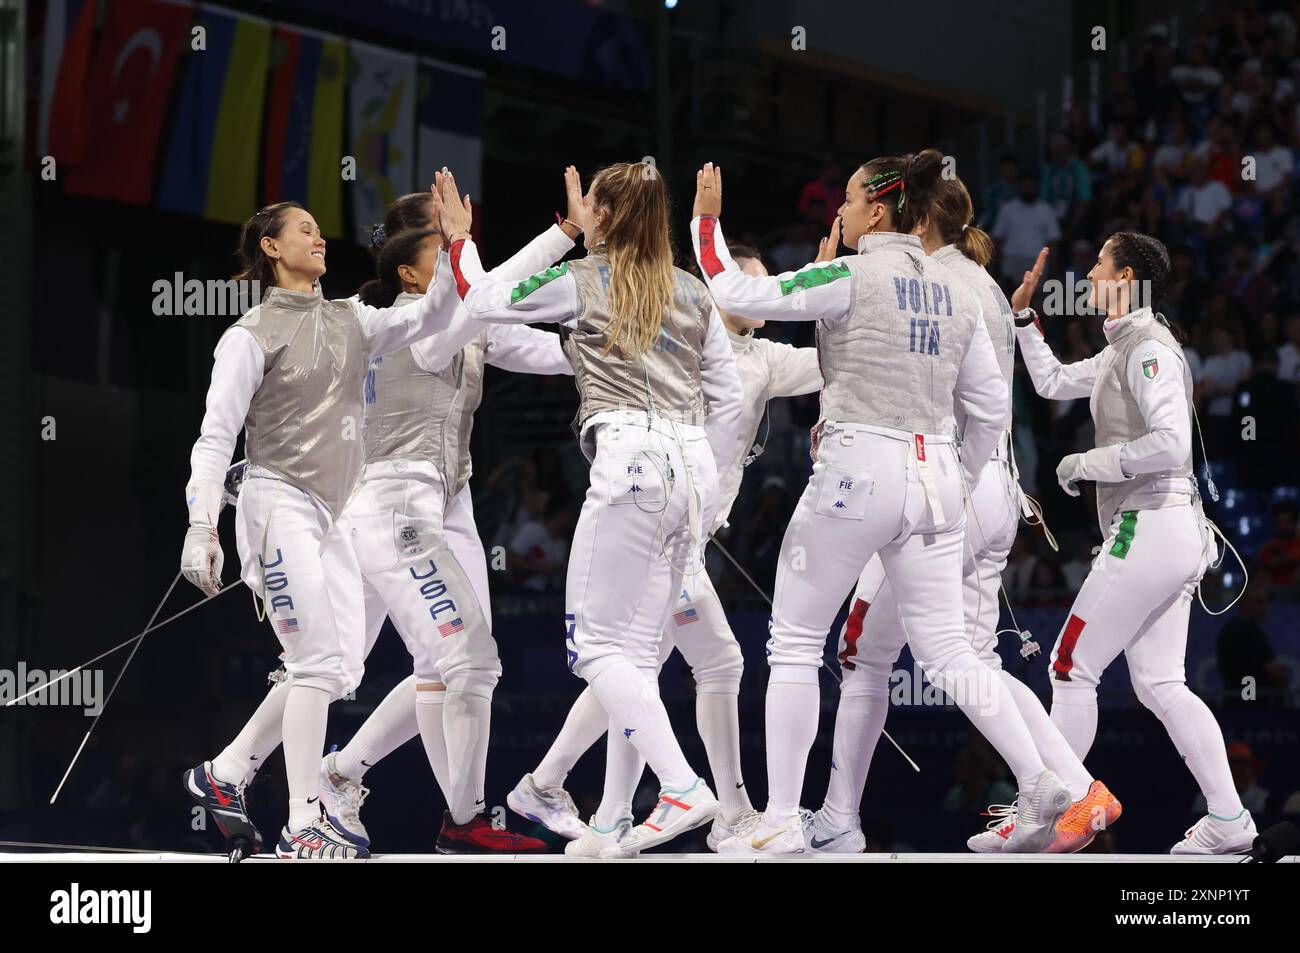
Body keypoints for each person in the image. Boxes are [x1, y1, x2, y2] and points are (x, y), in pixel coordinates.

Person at [692, 154, 1073, 856]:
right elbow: (991, 408)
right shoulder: (959, 287)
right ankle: (1037, 775)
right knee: (952, 649)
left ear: (877, 211)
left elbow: (727, 285)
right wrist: (955, 474)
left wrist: (706, 220)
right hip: (933, 480)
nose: (837, 208)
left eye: (847, 197)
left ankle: (780, 815)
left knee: (796, 644)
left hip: (855, 472)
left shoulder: (850, 272)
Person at [437, 162, 746, 857]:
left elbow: (483, 299)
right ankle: (611, 820)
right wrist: (710, 479)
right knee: (635, 654)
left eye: (593, 211)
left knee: (594, 647)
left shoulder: (583, 280)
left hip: (632, 461)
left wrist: (467, 237)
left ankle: (680, 786)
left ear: (600, 215)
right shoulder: (693, 291)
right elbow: (728, 401)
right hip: (693, 466)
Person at [819, 162, 1119, 855]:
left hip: (944, 484)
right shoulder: (978, 281)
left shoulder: (925, 281)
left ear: (914, 218)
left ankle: (839, 820)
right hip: (994, 491)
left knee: (866, 651)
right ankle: (1078, 791)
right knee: (973, 659)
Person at [506, 242, 821, 850]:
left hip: (686, 532)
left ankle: (597, 807)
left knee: (667, 663)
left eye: (761, 285)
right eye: (744, 282)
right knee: (644, 662)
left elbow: (833, 361)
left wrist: (823, 295)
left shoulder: (764, 357)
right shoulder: (690, 341)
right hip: (659, 521)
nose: (755, 293)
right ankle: (646, 808)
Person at [181, 197, 460, 859]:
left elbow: (437, 310)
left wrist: (452, 247)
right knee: (312, 662)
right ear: (272, 247)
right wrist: (201, 524)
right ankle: (302, 820)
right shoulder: (251, 333)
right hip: (275, 502)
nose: (319, 235)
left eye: (318, 226)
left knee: (337, 667)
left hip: (332, 512)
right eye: (302, 228)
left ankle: (225, 772)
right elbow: (216, 435)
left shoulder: (352, 318)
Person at [315, 187, 579, 854]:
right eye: (446, 243)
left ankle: (346, 772)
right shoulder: (419, 321)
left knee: (456, 661)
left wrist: (626, 344)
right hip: (396, 504)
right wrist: (565, 234)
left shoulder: (464, 320)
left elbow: (548, 351)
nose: (465, 252)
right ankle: (461, 817)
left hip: (447, 498)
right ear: (410, 271)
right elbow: (491, 291)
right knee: (437, 661)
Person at [1015, 231, 1258, 854]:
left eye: (1099, 262)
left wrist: (1087, 463)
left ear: (1126, 278)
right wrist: (1022, 319)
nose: (1089, 271)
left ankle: (1055, 808)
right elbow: (1050, 382)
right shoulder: (1123, 348)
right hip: (1171, 533)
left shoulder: (1149, 349)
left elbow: (1172, 446)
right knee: (1160, 684)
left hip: (1151, 523)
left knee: (1071, 667)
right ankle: (1230, 819)